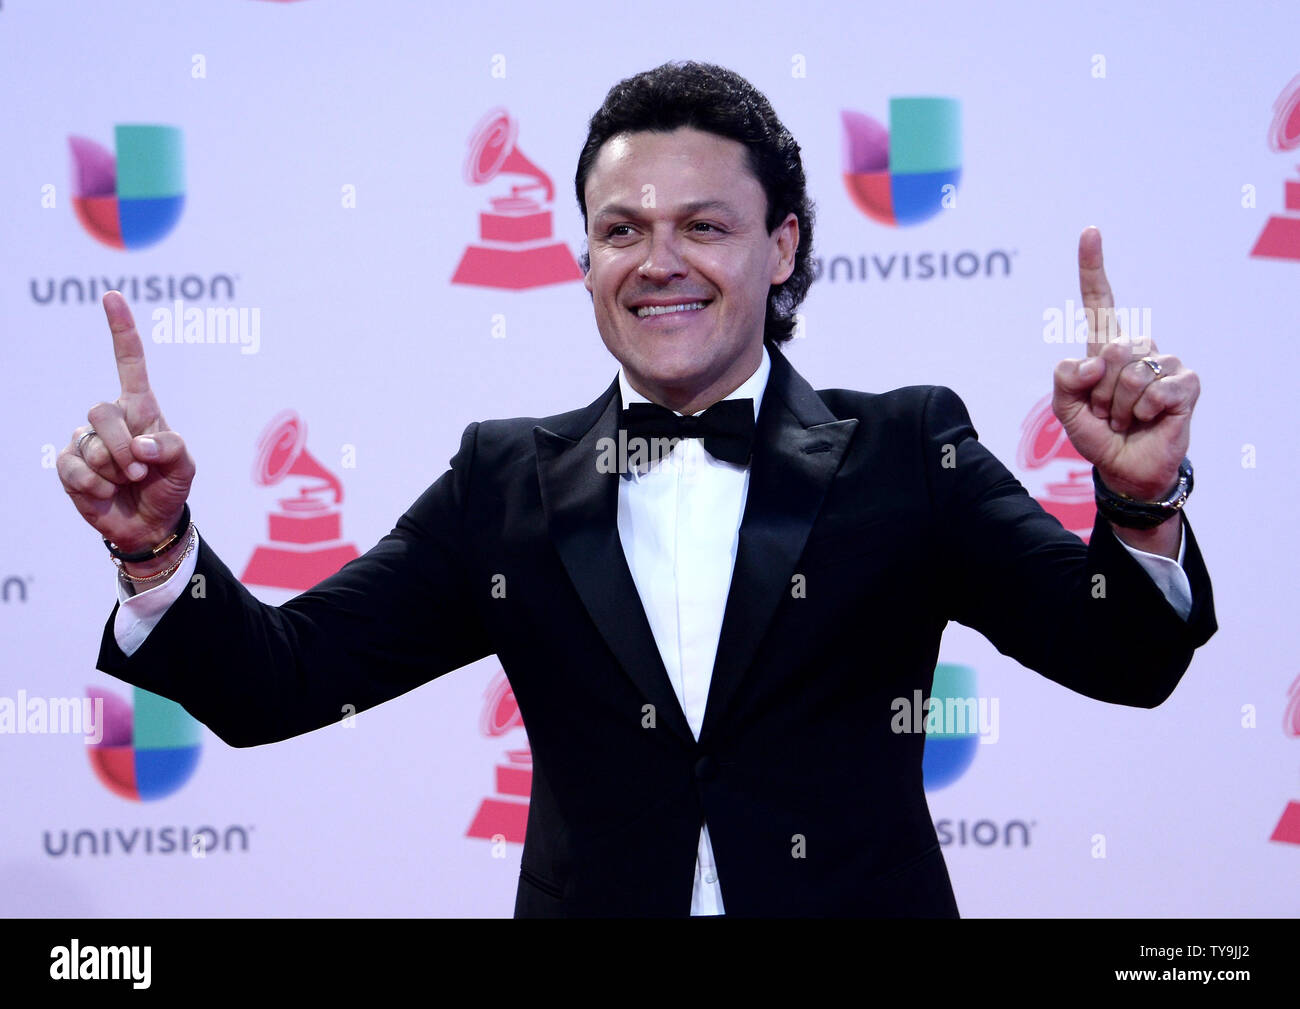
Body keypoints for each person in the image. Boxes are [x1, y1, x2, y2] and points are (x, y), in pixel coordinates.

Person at [58, 62, 1216, 917]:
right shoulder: (501, 479)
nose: (658, 261)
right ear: (584, 260)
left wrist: (1137, 508)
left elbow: (1121, 659)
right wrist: (157, 554)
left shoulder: (906, 447)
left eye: (704, 226)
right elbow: (283, 683)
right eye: (622, 230)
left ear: (784, 246)